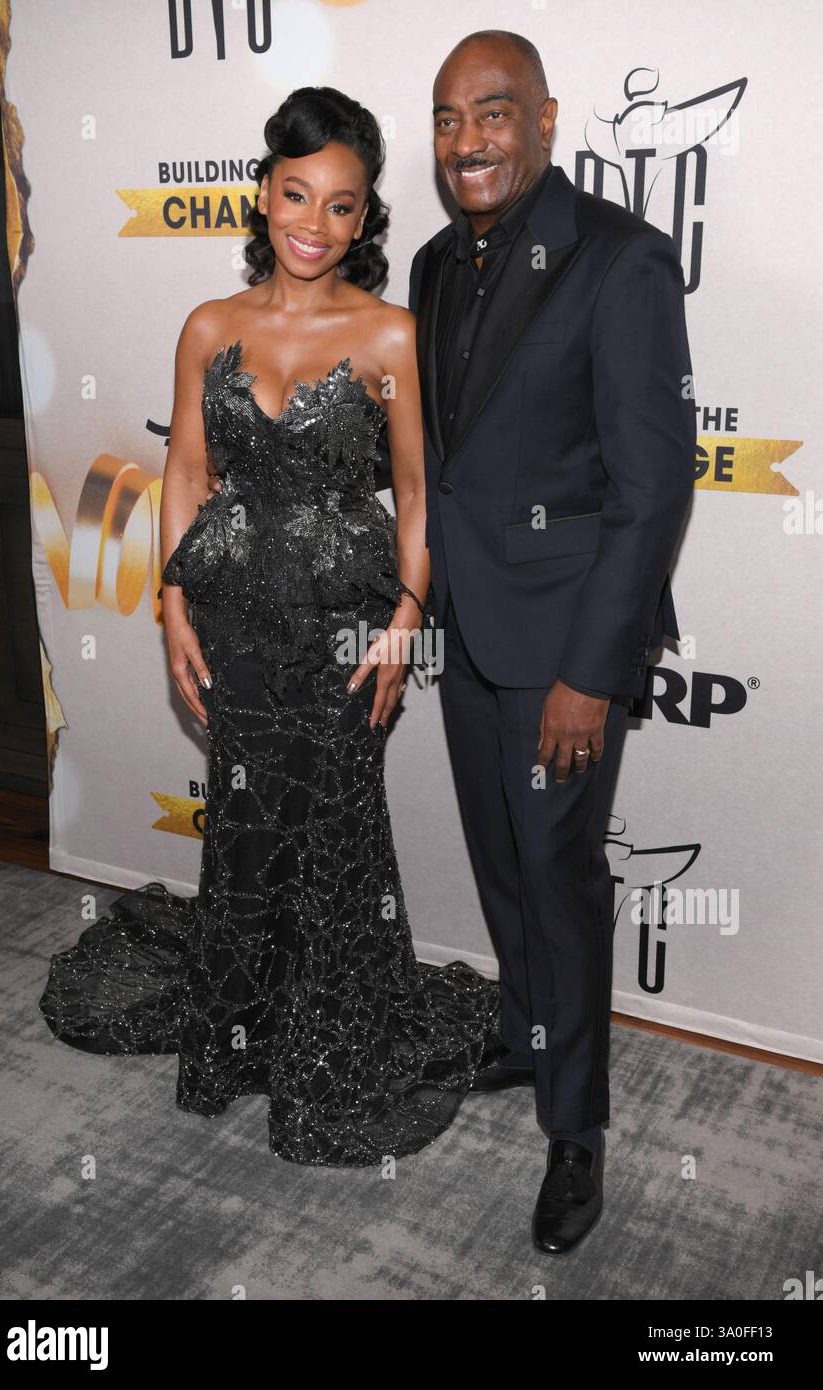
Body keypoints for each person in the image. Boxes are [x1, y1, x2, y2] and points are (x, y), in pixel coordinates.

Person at [38, 86, 502, 1168]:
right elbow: (188, 474)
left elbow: (419, 496)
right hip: (233, 621)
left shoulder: (390, 334)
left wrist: (404, 618)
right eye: (297, 193)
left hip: (347, 629)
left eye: (340, 205)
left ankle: (327, 1033)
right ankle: (241, 1027)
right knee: (245, 832)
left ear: (361, 220)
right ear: (263, 193)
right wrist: (166, 601)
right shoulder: (211, 325)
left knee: (336, 834)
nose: (313, 221)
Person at [408, 31, 696, 1251]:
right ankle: (530, 1041)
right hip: (472, 630)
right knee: (501, 865)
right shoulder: (428, 264)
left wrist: (589, 672)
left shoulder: (620, 261)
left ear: (543, 118)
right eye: (444, 119)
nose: (465, 140)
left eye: (491, 114)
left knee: (563, 885)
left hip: (565, 647)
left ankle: (573, 1128)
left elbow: (652, 482)